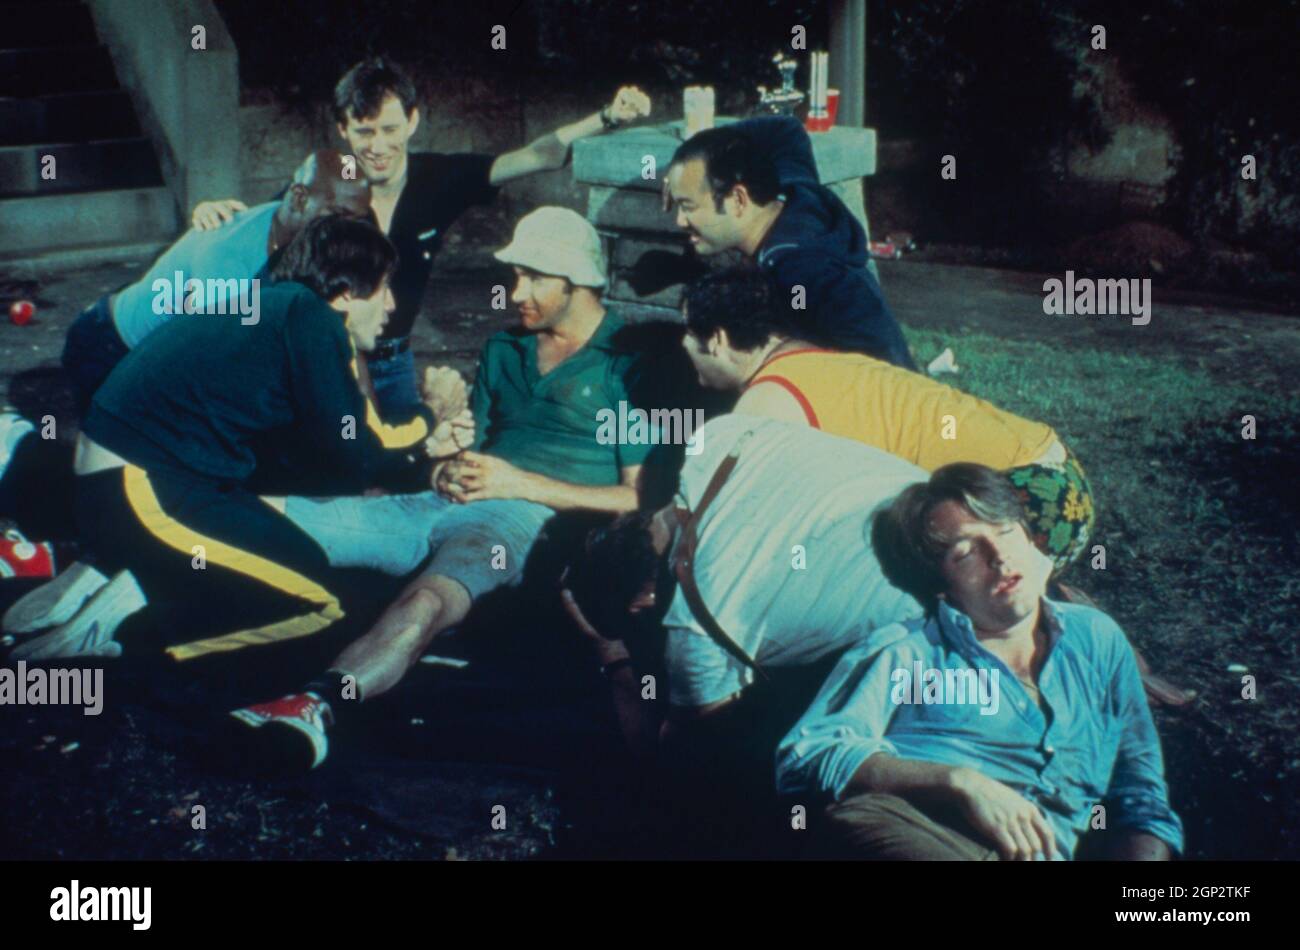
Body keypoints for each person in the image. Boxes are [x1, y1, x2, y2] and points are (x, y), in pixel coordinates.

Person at [228, 207, 655, 770]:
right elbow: (466, 446)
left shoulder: (628, 364)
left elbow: (638, 498)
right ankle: (104, 582)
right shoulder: (507, 348)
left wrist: (517, 482)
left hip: (513, 524)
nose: (514, 292)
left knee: (429, 599)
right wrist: (442, 466)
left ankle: (314, 705)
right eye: (513, 277)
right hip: (439, 499)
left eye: (531, 278)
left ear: (575, 282)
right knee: (265, 514)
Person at [677, 268, 1194, 705]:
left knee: (928, 585)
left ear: (718, 339)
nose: (682, 346)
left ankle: (1084, 661)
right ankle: (1095, 634)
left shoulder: (765, 406)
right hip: (1056, 474)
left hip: (1026, 497)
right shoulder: (817, 361)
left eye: (687, 332)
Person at [13, 216, 466, 663]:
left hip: (143, 481)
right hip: (140, 488)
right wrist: (431, 410)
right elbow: (362, 450)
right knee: (318, 606)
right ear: (347, 293)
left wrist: (419, 442)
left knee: (302, 561)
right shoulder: (311, 317)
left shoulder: (275, 307)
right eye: (385, 287)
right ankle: (130, 632)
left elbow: (339, 444)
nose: (391, 305)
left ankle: (133, 579)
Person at [193, 57, 652, 419]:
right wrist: (212, 213)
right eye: (364, 131)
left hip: (395, 363)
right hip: (330, 361)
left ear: (412, 121)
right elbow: (265, 229)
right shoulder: (328, 186)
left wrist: (607, 117)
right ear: (343, 129)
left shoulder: (441, 177)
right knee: (342, 477)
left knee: (405, 470)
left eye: (390, 129)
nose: (377, 146)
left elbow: (538, 156)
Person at [775, 463, 1183, 861]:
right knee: (856, 817)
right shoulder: (907, 652)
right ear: (940, 586)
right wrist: (959, 782)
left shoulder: (1097, 638)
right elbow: (805, 756)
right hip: (930, 837)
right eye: (966, 552)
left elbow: (1140, 792)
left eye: (1005, 530)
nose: (999, 557)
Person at [61, 149, 372, 413]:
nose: (347, 233)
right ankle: (19, 440)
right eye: (338, 215)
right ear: (300, 198)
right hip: (110, 349)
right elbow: (209, 373)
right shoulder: (229, 256)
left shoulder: (309, 235)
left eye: (356, 221)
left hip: (163, 352)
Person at [665, 116, 915, 369]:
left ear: (739, 199)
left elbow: (888, 365)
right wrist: (693, 163)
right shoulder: (795, 189)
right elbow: (784, 128)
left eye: (688, 206)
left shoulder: (802, 274)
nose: (679, 221)